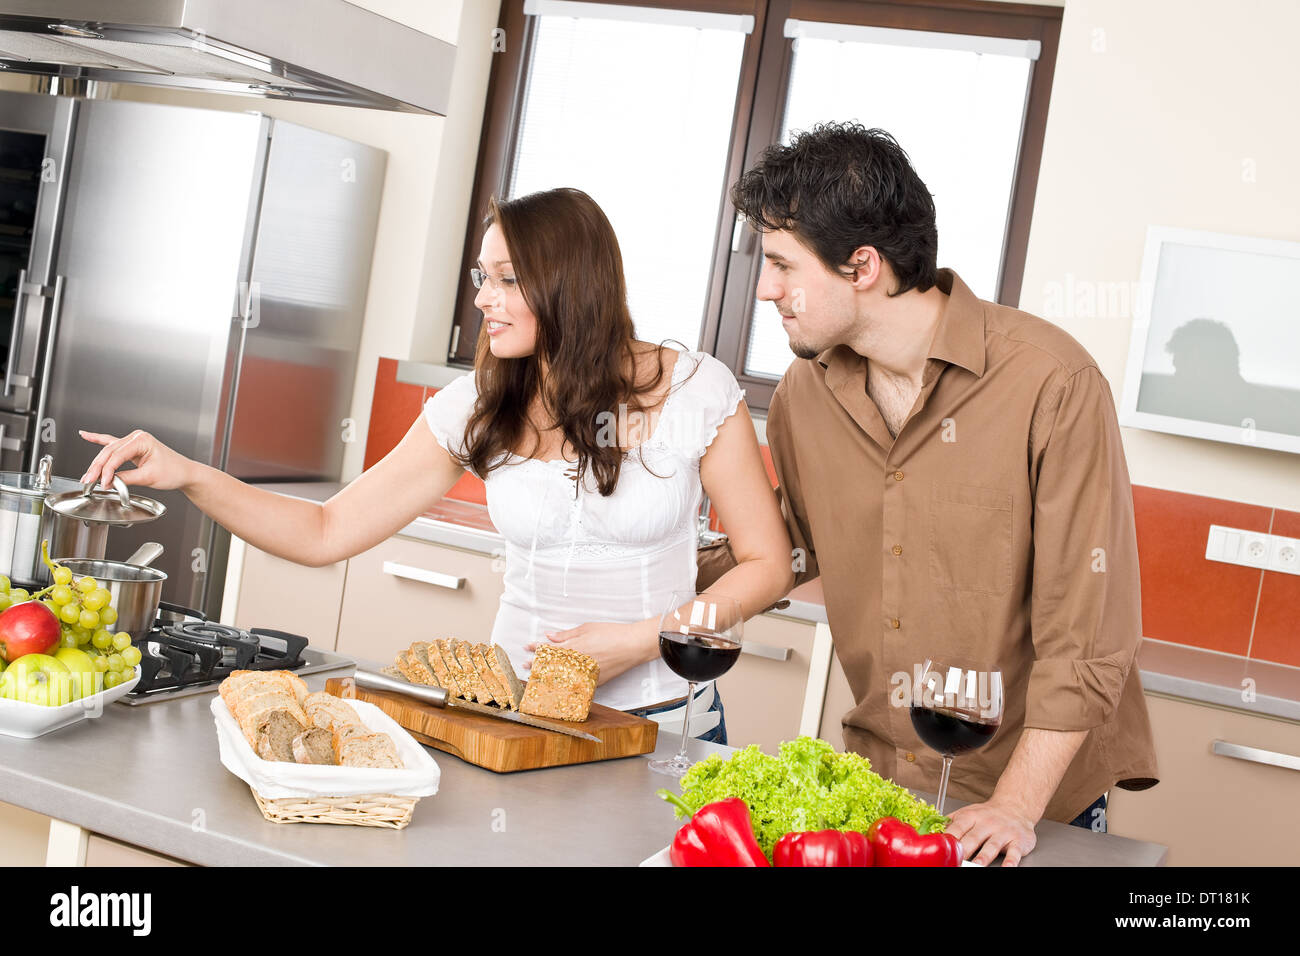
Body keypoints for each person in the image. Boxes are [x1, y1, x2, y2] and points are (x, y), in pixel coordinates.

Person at [79, 187, 795, 742]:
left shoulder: (696, 391)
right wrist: (193, 475)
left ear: (572, 285)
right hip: (514, 713)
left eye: (507, 280)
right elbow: (326, 530)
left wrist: (639, 642)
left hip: (663, 713)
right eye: (482, 277)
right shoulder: (478, 403)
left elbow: (767, 562)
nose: (484, 298)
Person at [703, 122, 1158, 863]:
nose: (765, 289)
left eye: (783, 265)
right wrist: (647, 548)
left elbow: (1091, 635)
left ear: (863, 267)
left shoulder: (1051, 383)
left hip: (1028, 802)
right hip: (884, 781)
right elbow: (792, 543)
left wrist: (1012, 808)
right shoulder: (804, 394)